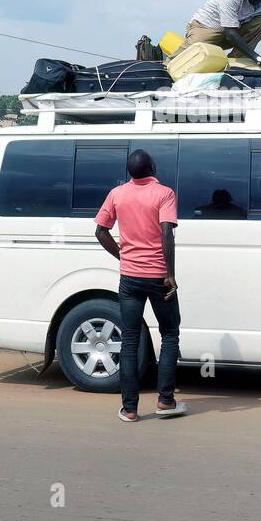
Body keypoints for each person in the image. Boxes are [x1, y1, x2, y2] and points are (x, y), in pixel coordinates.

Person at [94, 149, 187, 422]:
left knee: (130, 340)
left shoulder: (117, 193)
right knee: (169, 335)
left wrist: (122, 255)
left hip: (130, 278)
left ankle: (130, 409)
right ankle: (165, 401)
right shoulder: (164, 193)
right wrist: (170, 273)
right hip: (158, 277)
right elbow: (166, 232)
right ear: (153, 166)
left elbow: (100, 231)